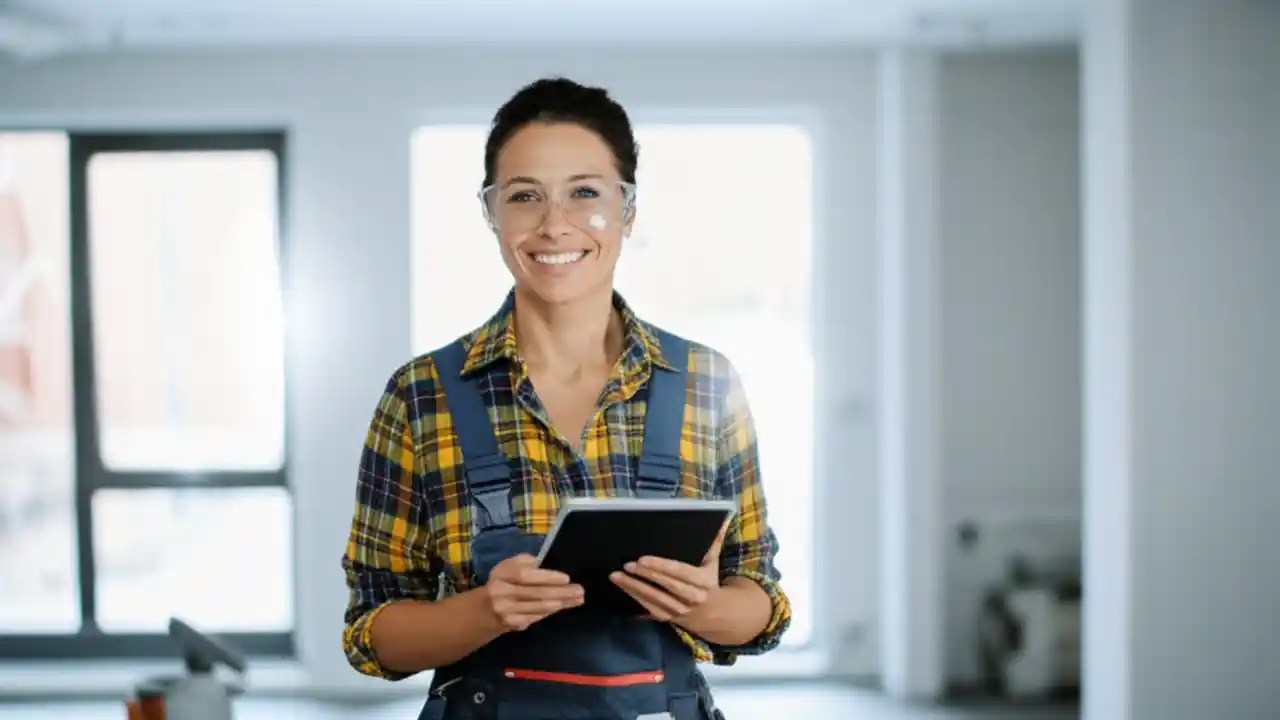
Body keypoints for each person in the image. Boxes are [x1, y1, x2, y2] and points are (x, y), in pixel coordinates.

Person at [341, 77, 791, 720]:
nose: (555, 225)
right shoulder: (421, 395)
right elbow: (372, 632)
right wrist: (484, 611)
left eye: (585, 193)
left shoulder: (706, 383)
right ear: (492, 212)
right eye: (525, 196)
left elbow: (760, 601)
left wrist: (704, 607)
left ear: (628, 210)